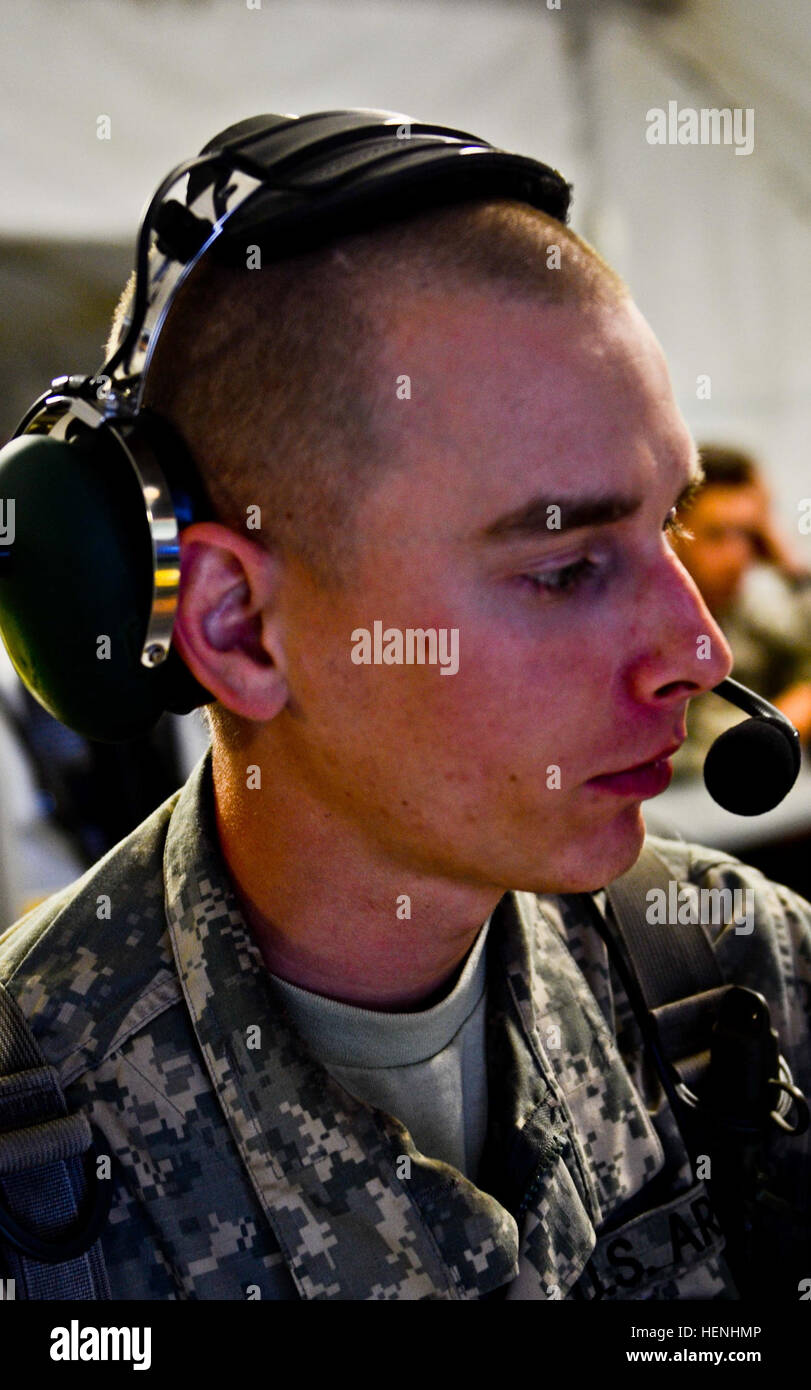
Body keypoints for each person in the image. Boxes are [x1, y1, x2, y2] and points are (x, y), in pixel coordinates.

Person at [0, 118, 809, 1302]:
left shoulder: (741, 979)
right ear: (235, 626)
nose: (696, 649)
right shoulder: (37, 1155)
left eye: (668, 525)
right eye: (565, 567)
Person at [669, 444, 811, 780]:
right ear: (672, 533)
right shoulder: (653, 626)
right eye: (717, 535)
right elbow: (689, 755)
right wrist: (791, 718)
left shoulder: (749, 607)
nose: (736, 555)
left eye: (748, 535)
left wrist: (790, 568)